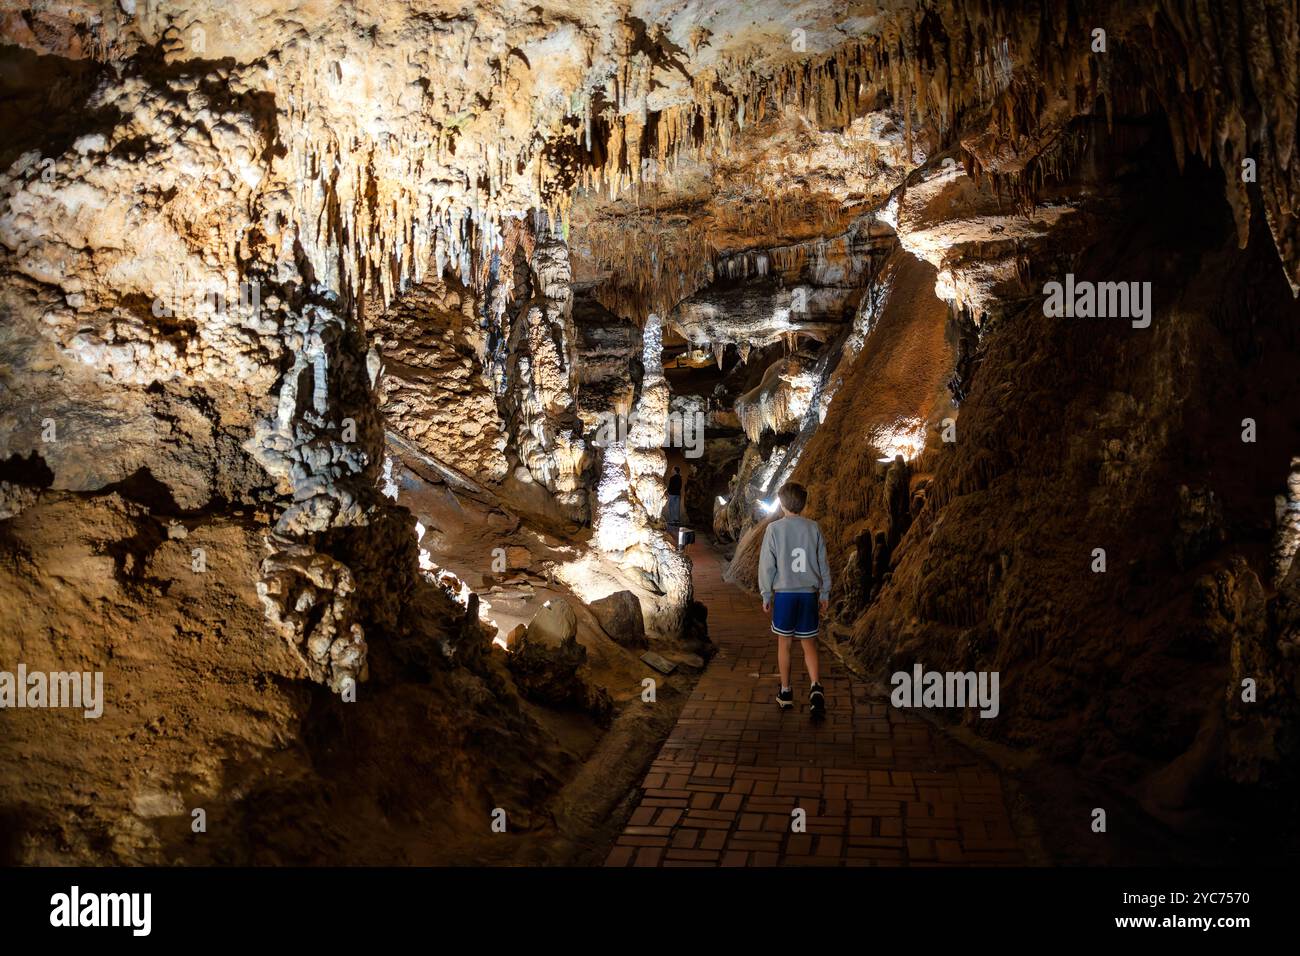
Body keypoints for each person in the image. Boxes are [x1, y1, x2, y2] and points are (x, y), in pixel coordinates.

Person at [758, 482, 831, 714]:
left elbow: (767, 566)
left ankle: (786, 691)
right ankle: (815, 686)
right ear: (804, 503)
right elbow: (823, 563)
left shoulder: (774, 529)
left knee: (785, 644)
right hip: (808, 594)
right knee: (809, 643)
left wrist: (766, 593)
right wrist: (825, 592)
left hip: (785, 595)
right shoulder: (813, 528)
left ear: (781, 503)